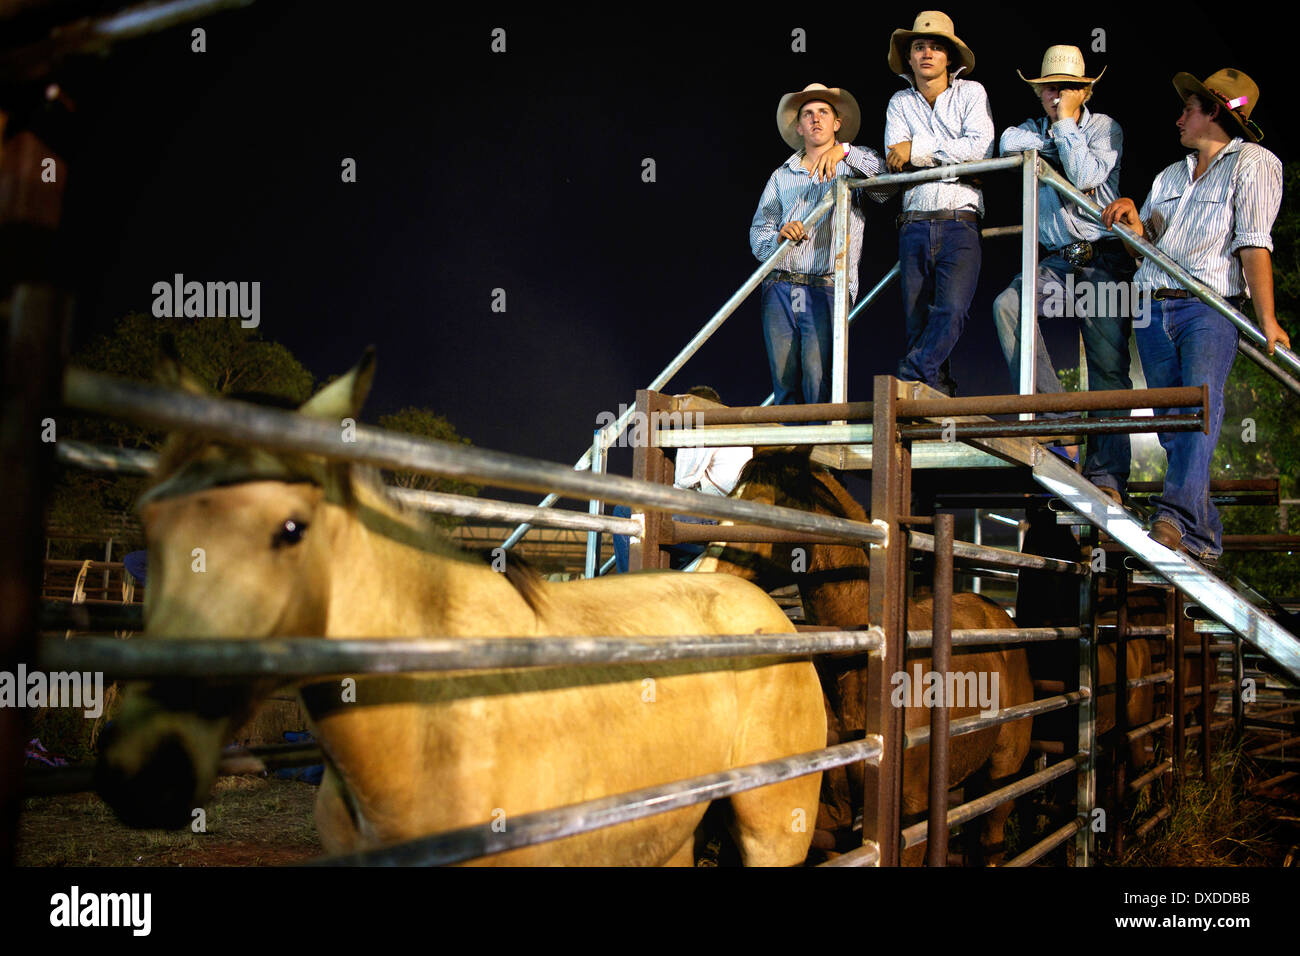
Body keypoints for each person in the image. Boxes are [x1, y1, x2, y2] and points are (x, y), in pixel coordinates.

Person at [1101, 69, 1289, 566]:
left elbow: (1254, 242)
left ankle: (1174, 517)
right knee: (1171, 423)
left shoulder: (1254, 163)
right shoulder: (1169, 175)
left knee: (1201, 408)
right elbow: (1148, 249)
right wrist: (1131, 222)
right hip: (1151, 303)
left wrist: (1268, 319)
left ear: (1216, 114)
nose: (1179, 116)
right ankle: (1201, 535)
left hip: (1208, 306)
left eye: (1189, 108)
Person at [994, 45, 1132, 503]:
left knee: (1107, 368)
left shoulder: (1106, 127)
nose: (1056, 95)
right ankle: (1057, 415)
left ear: (1085, 90)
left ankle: (1108, 475)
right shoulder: (1033, 128)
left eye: (1067, 88)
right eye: (1049, 88)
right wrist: (1056, 131)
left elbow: (1086, 173)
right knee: (1007, 305)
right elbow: (1007, 144)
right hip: (1057, 257)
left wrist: (1065, 123)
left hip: (1104, 255)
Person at [750, 83, 886, 405]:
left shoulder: (854, 164)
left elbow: (885, 185)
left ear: (836, 123)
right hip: (781, 285)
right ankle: (789, 455)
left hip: (826, 285)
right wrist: (779, 236)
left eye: (823, 112)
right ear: (798, 126)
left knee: (818, 381)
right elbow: (759, 230)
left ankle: (818, 452)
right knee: (785, 385)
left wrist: (846, 152)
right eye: (808, 114)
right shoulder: (782, 174)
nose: (816, 119)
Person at [884, 11, 994, 396]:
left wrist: (919, 150)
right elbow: (895, 159)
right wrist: (955, 163)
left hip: (958, 220)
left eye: (936, 47)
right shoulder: (899, 103)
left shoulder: (972, 93)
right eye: (919, 47)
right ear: (909, 58)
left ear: (950, 57)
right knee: (918, 322)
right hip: (912, 221)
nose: (927, 53)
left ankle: (909, 373)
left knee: (951, 310)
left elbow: (980, 148)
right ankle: (935, 395)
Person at [612, 387, 754, 572]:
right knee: (663, 529)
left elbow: (683, 480)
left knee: (624, 510)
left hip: (716, 519)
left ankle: (632, 585)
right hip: (731, 517)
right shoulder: (732, 426)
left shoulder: (703, 425)